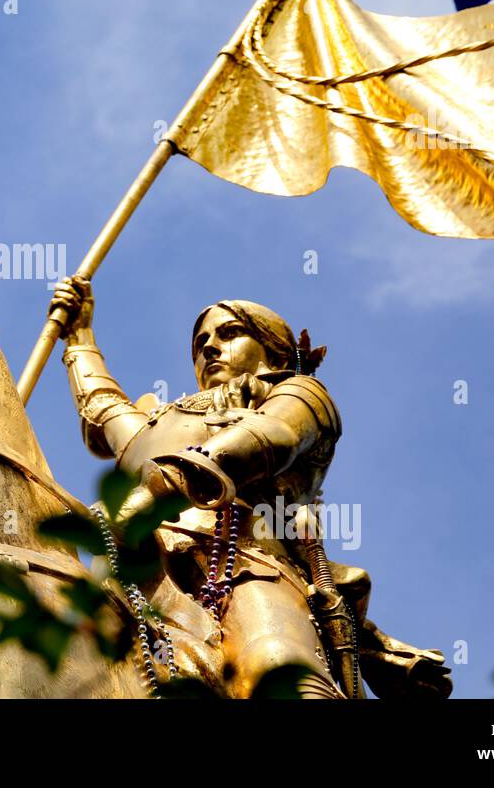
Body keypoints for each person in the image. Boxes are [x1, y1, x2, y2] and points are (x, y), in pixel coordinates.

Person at [50, 275, 451, 699]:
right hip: (135, 570)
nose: (208, 347)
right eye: (201, 341)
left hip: (245, 568)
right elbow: (104, 408)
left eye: (230, 333)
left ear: (271, 347)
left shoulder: (297, 394)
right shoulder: (157, 424)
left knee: (275, 667)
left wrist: (155, 492)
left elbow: (269, 439)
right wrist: (79, 338)